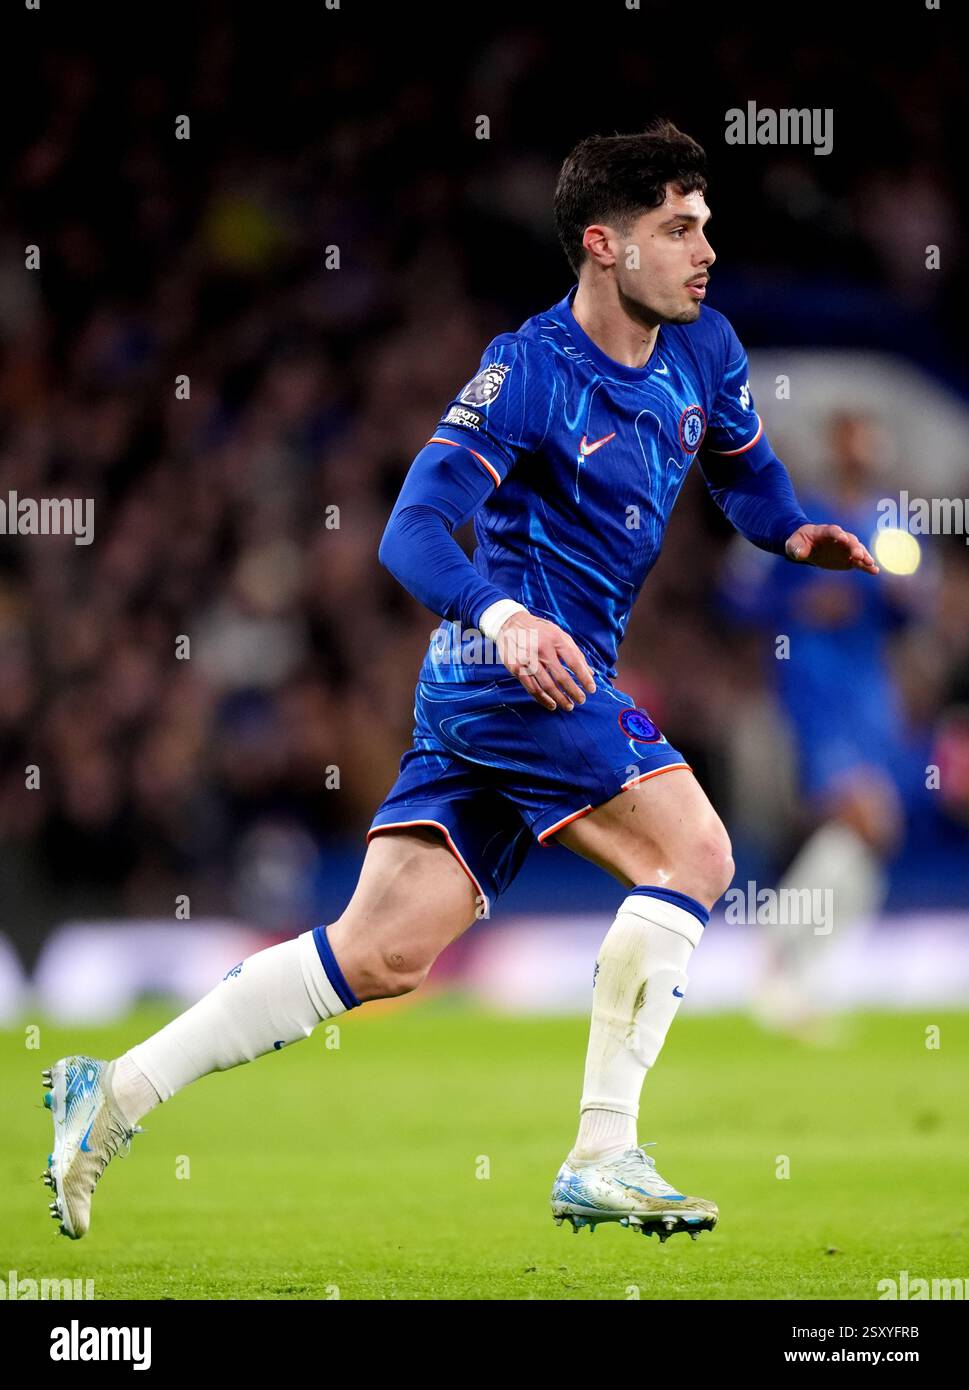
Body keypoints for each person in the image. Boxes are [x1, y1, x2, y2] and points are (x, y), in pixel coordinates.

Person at [42, 120, 878, 1244]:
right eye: (678, 228)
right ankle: (603, 1148)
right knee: (699, 851)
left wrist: (799, 535)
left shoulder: (707, 348)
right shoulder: (529, 371)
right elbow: (412, 530)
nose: (705, 248)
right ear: (603, 245)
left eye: (706, 225)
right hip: (508, 672)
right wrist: (506, 612)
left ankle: (115, 1089)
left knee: (380, 951)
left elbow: (749, 477)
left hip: (533, 681)